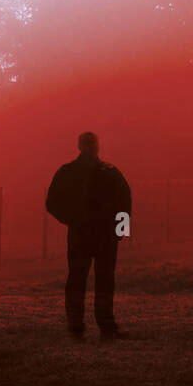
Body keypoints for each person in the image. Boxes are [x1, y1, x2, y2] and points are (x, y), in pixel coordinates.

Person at [46, 132, 132, 339]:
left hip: (84, 235)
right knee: (100, 280)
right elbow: (125, 202)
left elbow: (52, 202)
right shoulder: (110, 172)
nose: (92, 148)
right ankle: (104, 326)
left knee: (80, 279)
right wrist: (119, 231)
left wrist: (72, 220)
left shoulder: (68, 172)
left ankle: (78, 326)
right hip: (101, 236)